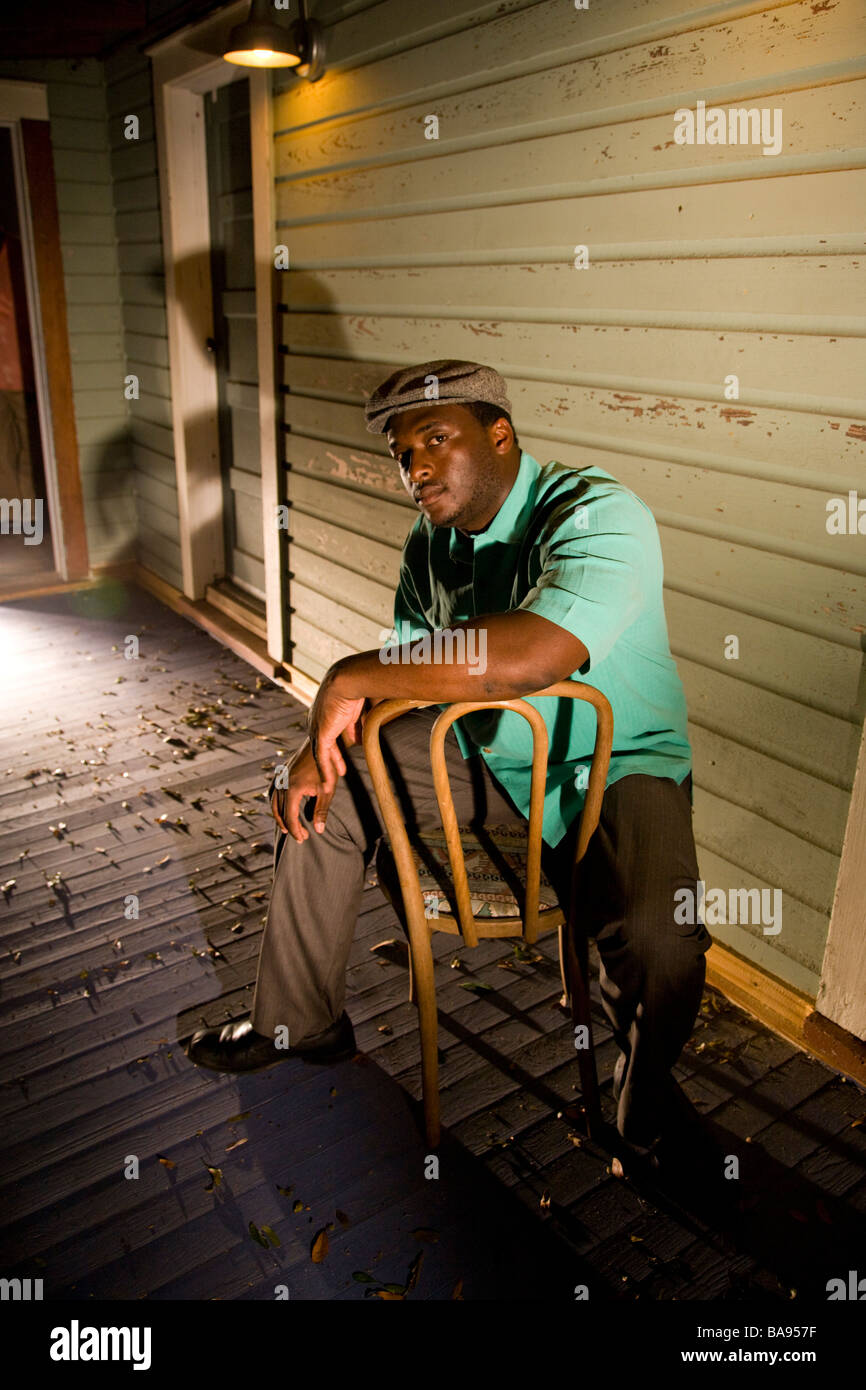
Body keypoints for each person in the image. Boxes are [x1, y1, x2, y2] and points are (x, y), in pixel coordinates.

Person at [187, 359, 712, 1163]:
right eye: (404, 454)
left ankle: (646, 1089)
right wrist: (319, 741)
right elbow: (404, 673)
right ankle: (300, 1017)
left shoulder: (598, 512)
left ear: (499, 435)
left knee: (661, 941)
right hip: (492, 756)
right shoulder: (431, 545)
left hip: (613, 766)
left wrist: (346, 675)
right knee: (333, 784)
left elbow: (539, 652)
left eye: (436, 439)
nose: (417, 467)